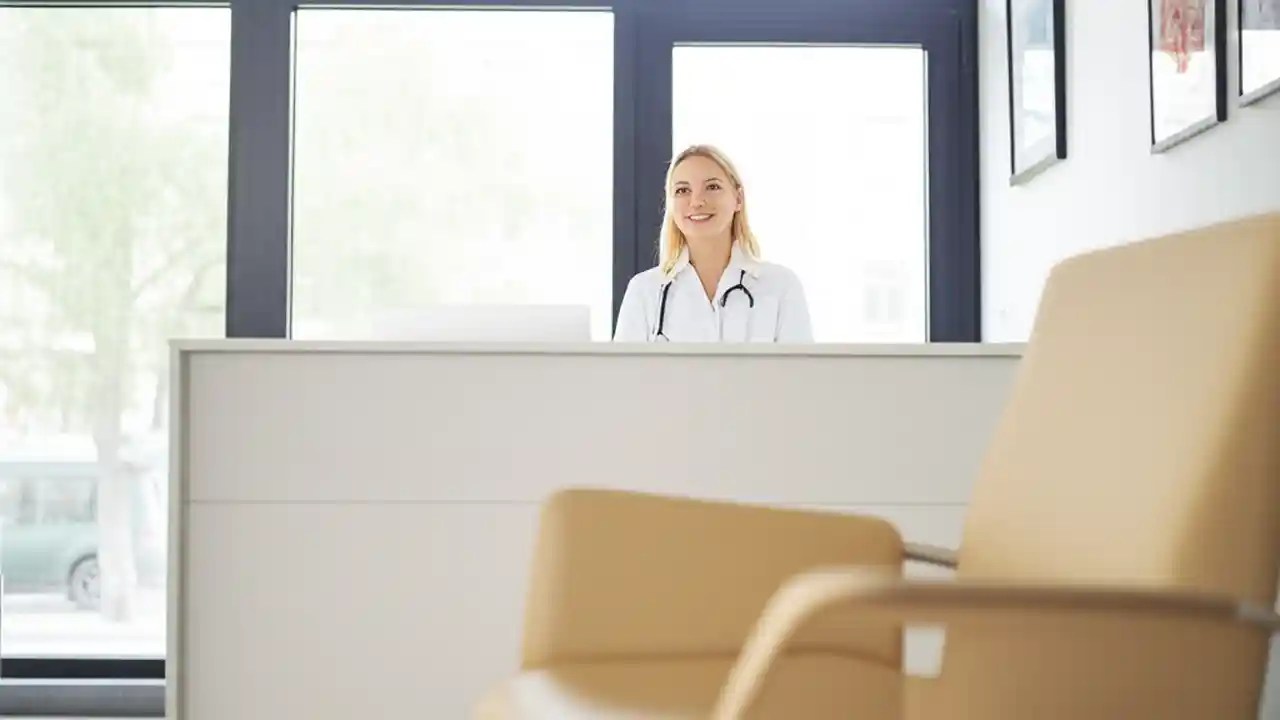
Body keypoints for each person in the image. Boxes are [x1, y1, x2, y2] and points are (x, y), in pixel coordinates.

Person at [613, 144, 813, 343]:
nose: (697, 201)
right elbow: (623, 374)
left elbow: (801, 373)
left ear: (738, 199)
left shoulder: (781, 286)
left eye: (712, 187)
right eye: (682, 190)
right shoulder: (644, 291)